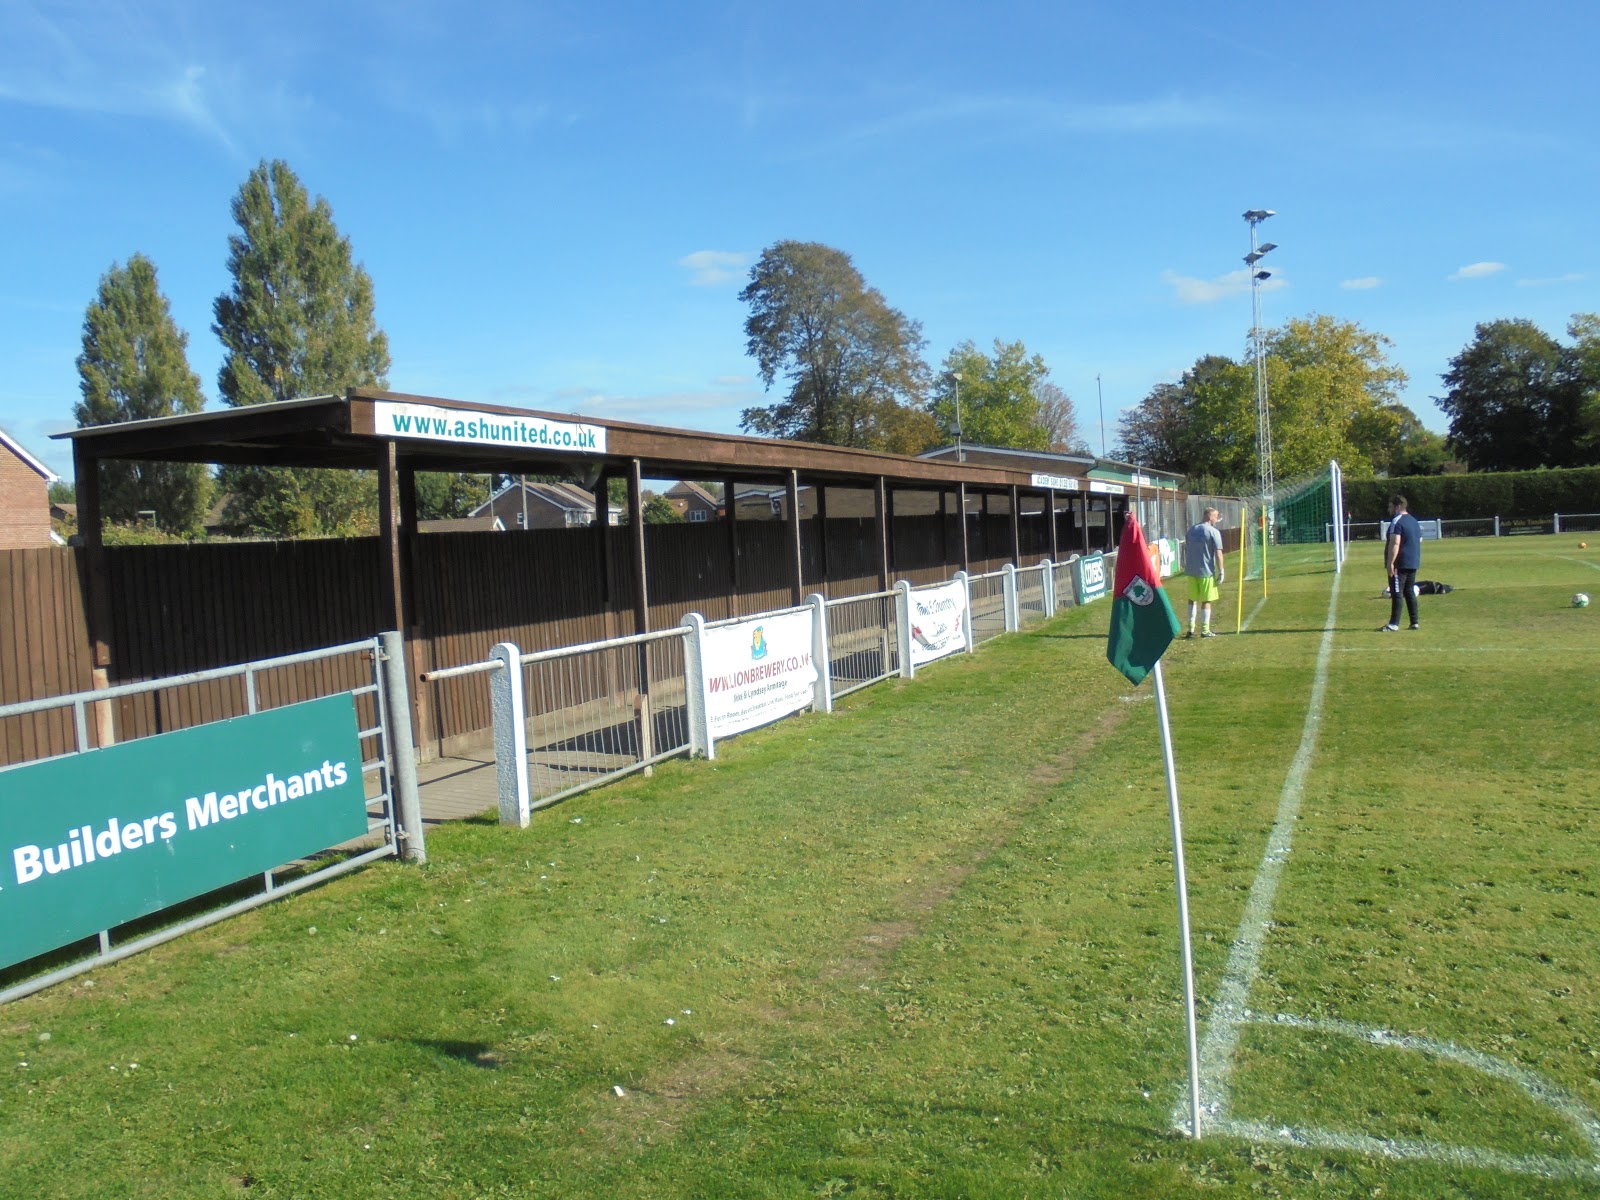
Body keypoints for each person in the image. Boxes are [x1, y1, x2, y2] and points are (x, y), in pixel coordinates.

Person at [1381, 494, 1422, 631]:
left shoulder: (1397, 521)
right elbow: (1419, 540)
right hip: (1413, 561)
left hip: (1400, 563)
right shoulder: (1414, 521)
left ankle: (1394, 624)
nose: (1389, 509)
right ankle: (1414, 622)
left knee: (1397, 592)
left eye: (1390, 506)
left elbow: (1395, 542)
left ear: (1397, 506)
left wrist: (1390, 562)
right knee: (1409, 591)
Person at [1183, 507, 1225, 638]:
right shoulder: (1213, 532)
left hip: (1191, 570)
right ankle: (1205, 630)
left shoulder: (1191, 530)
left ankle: (1190, 629)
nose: (1216, 520)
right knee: (1206, 600)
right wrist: (1221, 571)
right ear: (1209, 516)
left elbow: (1187, 547)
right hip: (1206, 571)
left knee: (1192, 599)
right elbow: (1218, 553)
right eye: (1215, 517)